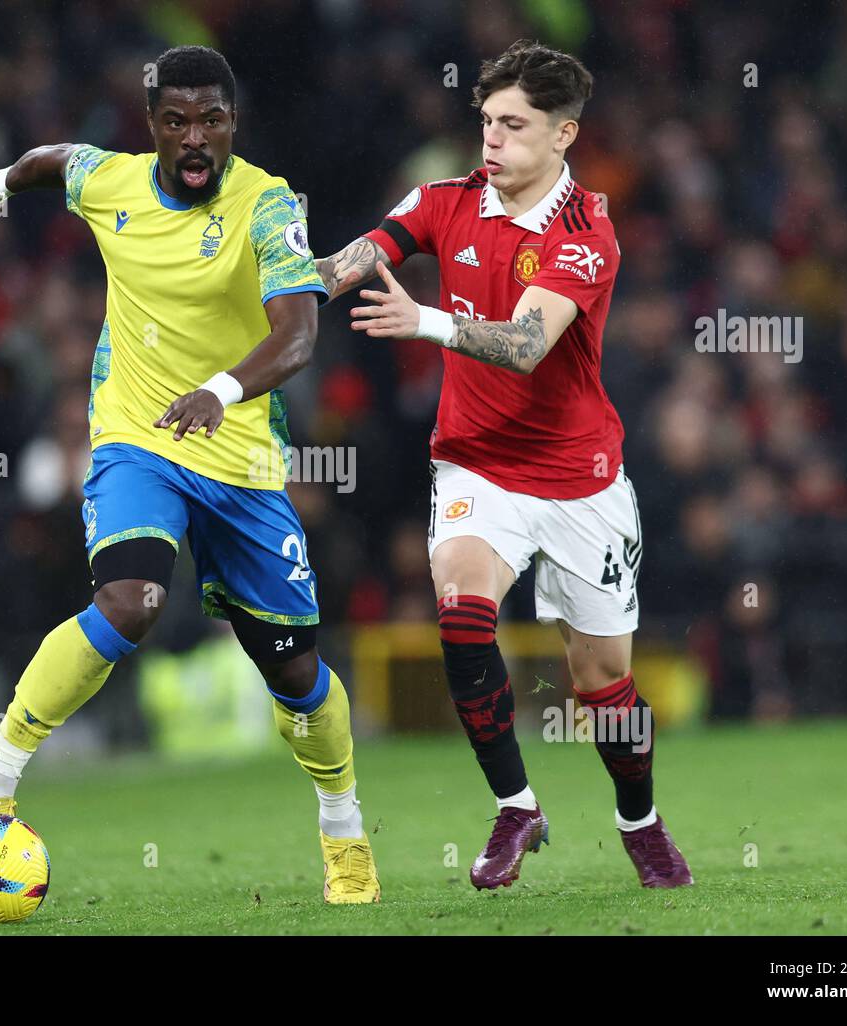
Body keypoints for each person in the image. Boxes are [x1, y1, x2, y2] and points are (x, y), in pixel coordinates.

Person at [0, 46, 379, 903]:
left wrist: (220, 392)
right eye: (176, 121)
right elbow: (51, 162)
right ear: (151, 126)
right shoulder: (110, 182)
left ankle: (342, 826)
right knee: (131, 601)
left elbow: (297, 337)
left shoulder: (266, 204)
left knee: (295, 672)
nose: (194, 139)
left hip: (244, 463)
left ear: (232, 125)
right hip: (137, 440)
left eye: (210, 121)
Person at [316, 40, 692, 890]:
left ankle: (640, 821)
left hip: (580, 480)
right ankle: (516, 806)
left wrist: (427, 322)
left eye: (513, 125)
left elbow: (524, 344)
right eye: (486, 121)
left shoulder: (586, 229)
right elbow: (349, 262)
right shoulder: (446, 201)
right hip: (476, 469)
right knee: (461, 613)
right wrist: (286, 293)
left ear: (562, 135)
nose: (492, 140)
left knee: (604, 686)